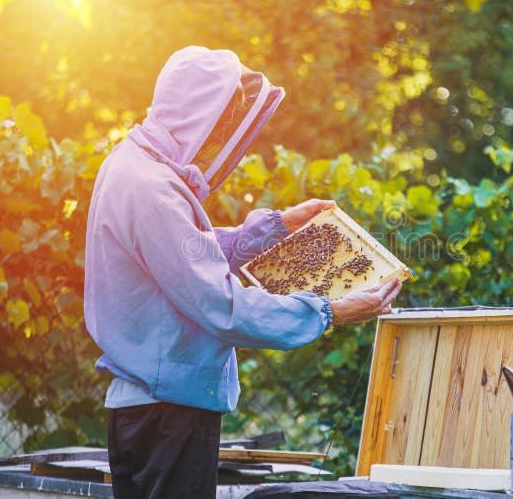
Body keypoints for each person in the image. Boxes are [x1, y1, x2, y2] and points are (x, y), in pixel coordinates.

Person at [83, 46, 402, 498]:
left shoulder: (132, 166)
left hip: (151, 410)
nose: (223, 130)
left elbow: (190, 254)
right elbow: (221, 305)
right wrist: (328, 311)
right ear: (198, 109)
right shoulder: (152, 188)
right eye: (223, 115)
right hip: (166, 414)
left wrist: (276, 227)